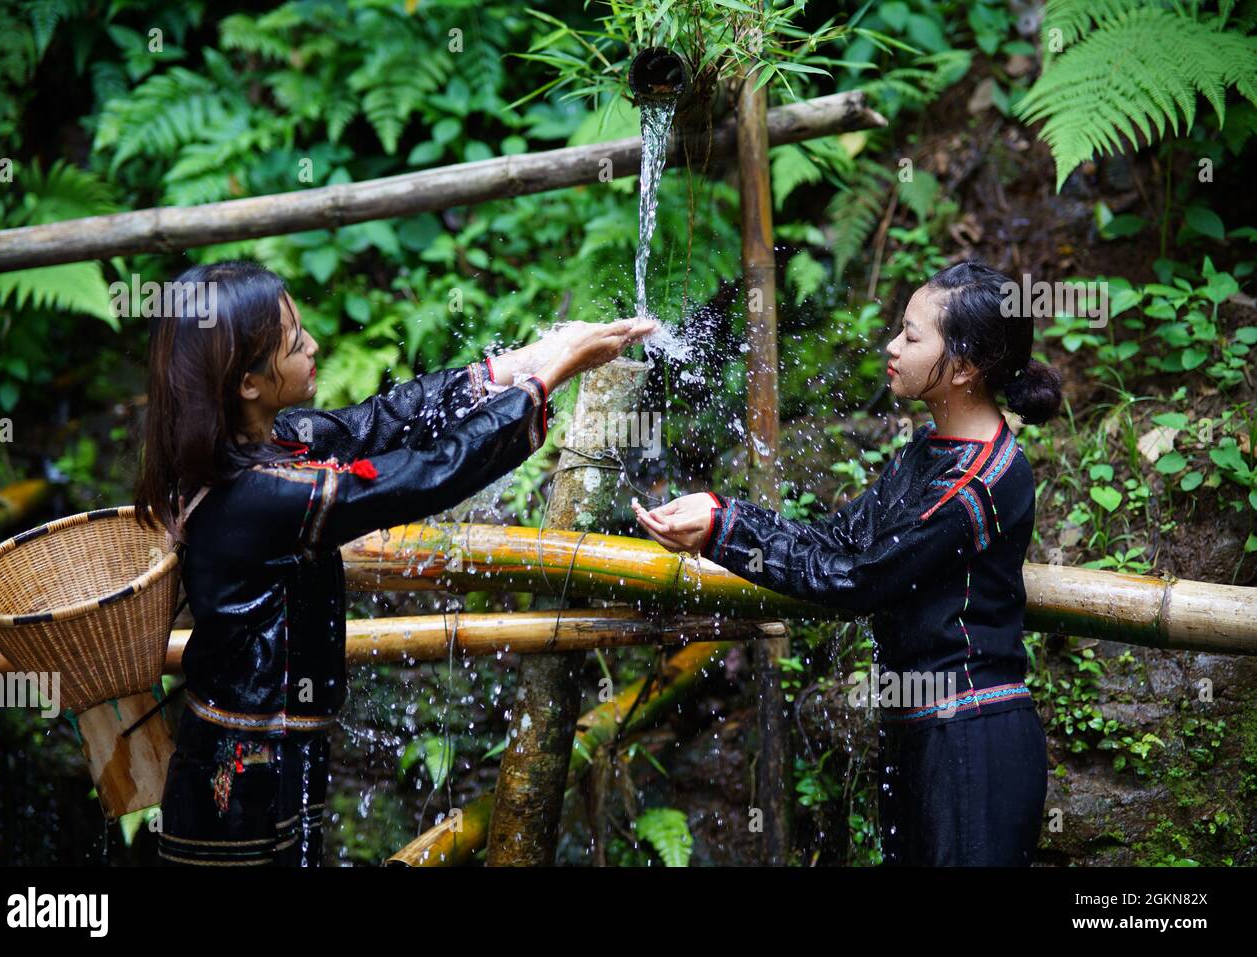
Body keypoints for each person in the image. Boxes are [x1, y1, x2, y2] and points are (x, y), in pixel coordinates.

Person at [134, 259, 655, 865]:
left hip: (272, 752)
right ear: (246, 383)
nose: (314, 346)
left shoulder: (268, 442)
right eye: (295, 341)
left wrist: (534, 357)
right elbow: (424, 477)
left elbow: (386, 420)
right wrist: (553, 378)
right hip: (240, 783)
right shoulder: (257, 496)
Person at [632, 261, 1063, 866]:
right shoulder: (930, 453)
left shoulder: (979, 483)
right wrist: (720, 513)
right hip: (923, 731)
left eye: (912, 337)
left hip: (971, 740)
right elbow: (837, 540)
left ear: (964, 367)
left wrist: (724, 532)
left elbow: (857, 579)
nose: (893, 346)